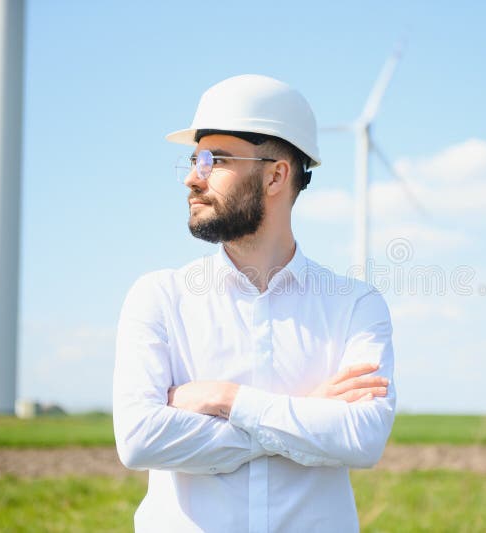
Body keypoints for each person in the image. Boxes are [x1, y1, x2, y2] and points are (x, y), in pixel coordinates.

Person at [112, 74, 396, 533]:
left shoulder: (356, 305)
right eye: (194, 158)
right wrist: (302, 415)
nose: (191, 176)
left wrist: (227, 399)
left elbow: (361, 439)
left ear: (276, 175)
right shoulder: (159, 297)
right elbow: (140, 440)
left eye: (215, 159)